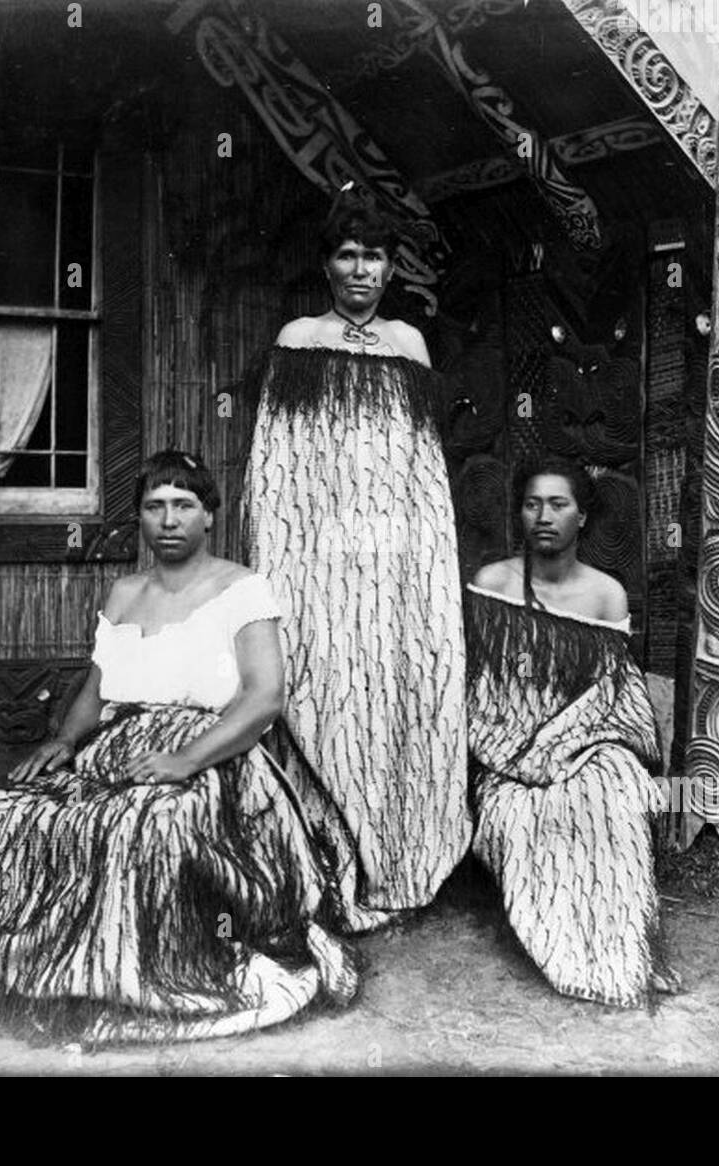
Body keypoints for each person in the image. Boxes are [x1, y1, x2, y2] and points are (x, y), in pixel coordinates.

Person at [0, 450, 355, 1044]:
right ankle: (44, 971)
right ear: (140, 519)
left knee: (142, 834)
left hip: (214, 760)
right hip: (113, 752)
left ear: (209, 517)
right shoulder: (123, 592)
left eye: (184, 505)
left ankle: (125, 979)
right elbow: (99, 689)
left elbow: (263, 700)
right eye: (155, 507)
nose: (169, 520)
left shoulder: (242, 589)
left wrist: (184, 761)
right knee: (3, 818)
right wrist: (66, 739)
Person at [242, 194, 469, 933]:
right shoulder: (300, 337)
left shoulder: (409, 345)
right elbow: (275, 469)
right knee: (321, 687)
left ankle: (393, 857)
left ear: (392, 267)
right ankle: (323, 856)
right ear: (326, 263)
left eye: (374, 256)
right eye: (347, 254)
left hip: (394, 558)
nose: (360, 269)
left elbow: (424, 474)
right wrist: (285, 564)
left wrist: (421, 564)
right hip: (318, 558)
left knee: (391, 691)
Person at [467, 457, 674, 1006]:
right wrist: (528, 755)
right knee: (531, 820)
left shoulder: (606, 595)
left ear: (582, 516)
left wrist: (566, 749)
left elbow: (613, 695)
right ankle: (578, 958)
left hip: (585, 744)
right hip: (509, 753)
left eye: (558, 504)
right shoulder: (494, 584)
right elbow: (481, 693)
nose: (544, 516)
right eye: (533, 503)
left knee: (614, 794)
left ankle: (627, 950)